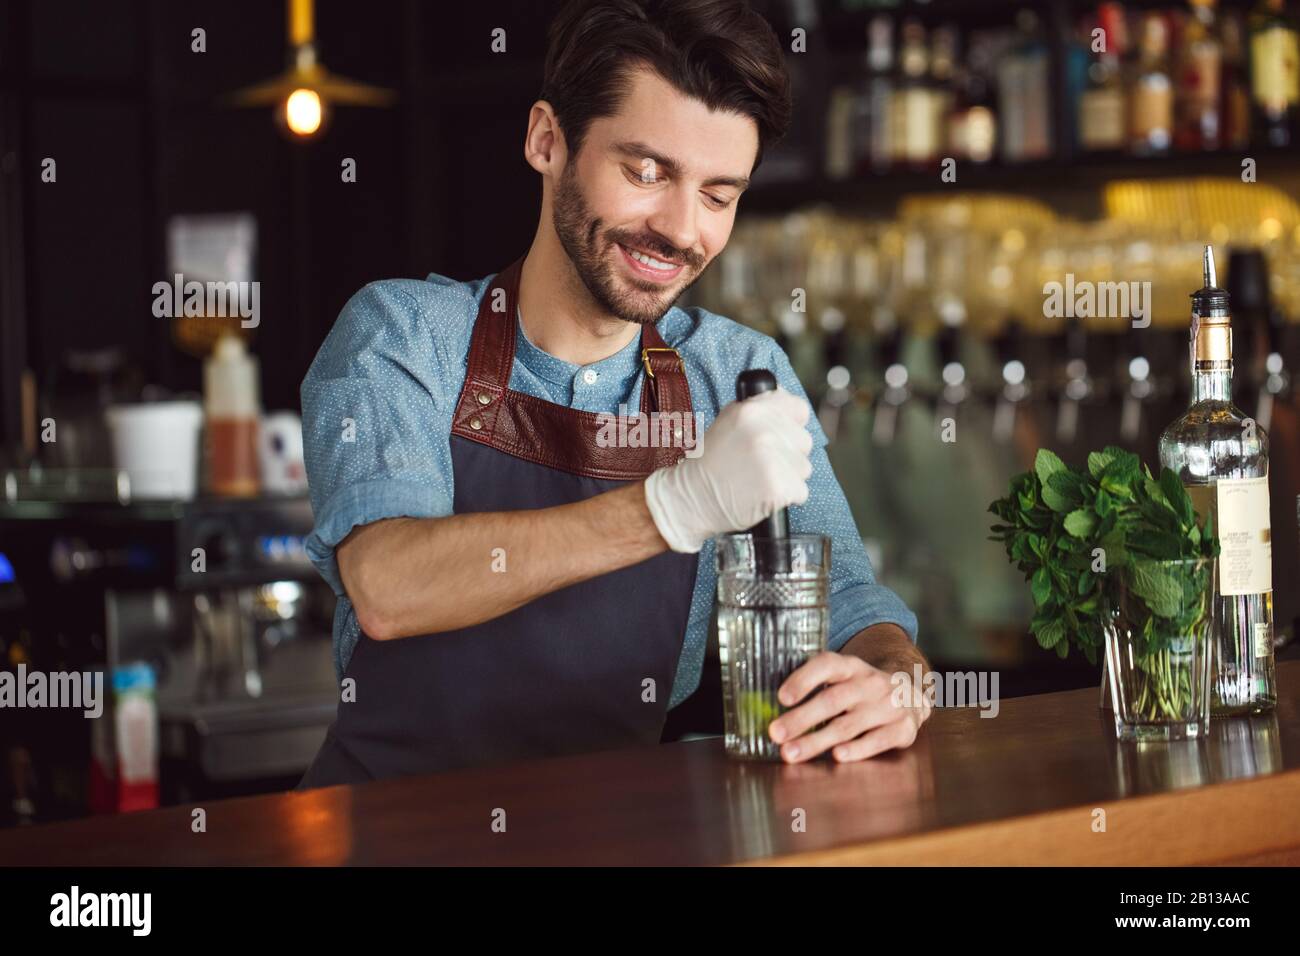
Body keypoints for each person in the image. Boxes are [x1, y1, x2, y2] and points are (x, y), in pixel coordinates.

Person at [297, 0, 928, 788]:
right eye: (646, 171)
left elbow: (852, 604)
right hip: (392, 831)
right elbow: (389, 586)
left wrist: (895, 681)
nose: (679, 228)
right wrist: (673, 507)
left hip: (617, 831)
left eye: (718, 195)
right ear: (547, 140)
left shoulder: (736, 371)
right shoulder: (403, 333)